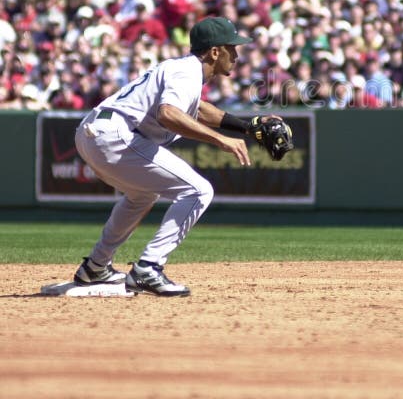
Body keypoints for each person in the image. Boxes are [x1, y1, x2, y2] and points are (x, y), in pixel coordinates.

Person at [72, 16, 274, 296]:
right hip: (115, 134)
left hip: (96, 132)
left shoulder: (184, 70)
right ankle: (148, 268)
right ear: (215, 52)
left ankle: (96, 267)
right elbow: (169, 114)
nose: (237, 55)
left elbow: (198, 109)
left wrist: (248, 127)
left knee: (141, 195)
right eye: (232, 48)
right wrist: (220, 139)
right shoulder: (187, 72)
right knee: (199, 190)